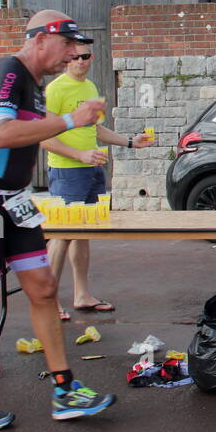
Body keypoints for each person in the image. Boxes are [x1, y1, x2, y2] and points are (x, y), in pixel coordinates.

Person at [0, 11, 117, 431]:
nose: (74, 54)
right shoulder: (8, 70)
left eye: (78, 47)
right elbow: (0, 135)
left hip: (13, 198)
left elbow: (32, 133)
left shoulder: (35, 87)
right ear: (40, 39)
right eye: (67, 45)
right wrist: (74, 119)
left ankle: (65, 389)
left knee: (43, 288)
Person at [40, 47, 155, 318]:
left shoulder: (91, 86)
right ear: (66, 58)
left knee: (83, 233)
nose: (81, 61)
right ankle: (48, 301)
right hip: (67, 172)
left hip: (91, 170)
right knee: (62, 234)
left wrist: (129, 141)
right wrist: (79, 154)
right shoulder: (55, 89)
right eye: (76, 56)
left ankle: (82, 294)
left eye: (86, 56)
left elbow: (95, 128)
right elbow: (43, 137)